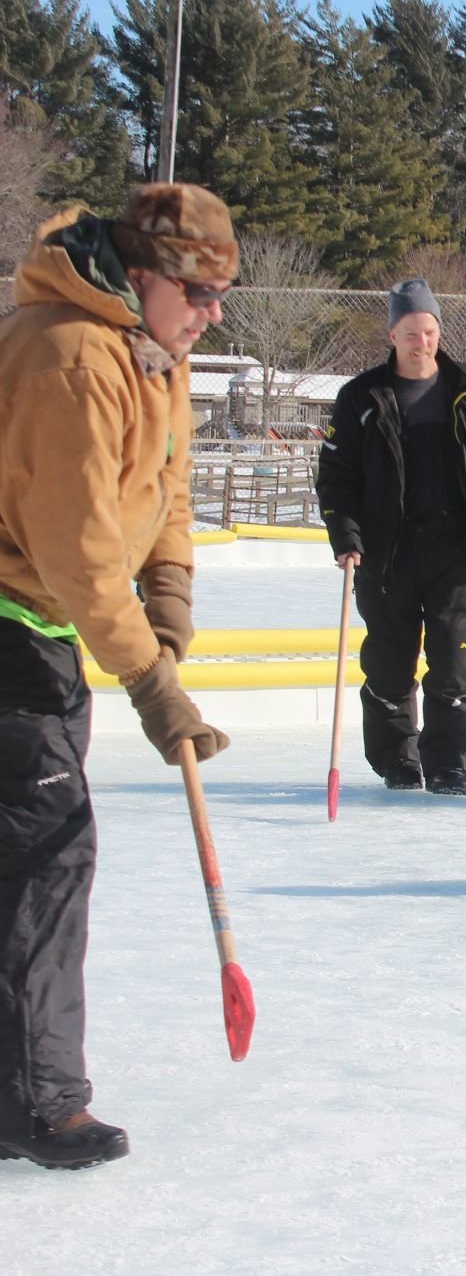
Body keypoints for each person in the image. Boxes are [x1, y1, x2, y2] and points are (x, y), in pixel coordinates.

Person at [0, 183, 238, 1170]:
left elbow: (164, 490)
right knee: (45, 854)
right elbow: (81, 556)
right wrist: (150, 681)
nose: (211, 311)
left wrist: (172, 600)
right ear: (139, 274)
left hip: (43, 634)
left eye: (223, 291)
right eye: (196, 289)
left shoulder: (152, 348)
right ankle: (38, 1100)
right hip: (16, 628)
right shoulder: (70, 356)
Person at [316, 278, 466, 797]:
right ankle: (398, 761)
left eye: (429, 331)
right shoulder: (361, 397)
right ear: (392, 334)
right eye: (411, 332)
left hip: (457, 547)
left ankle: (449, 765)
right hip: (387, 554)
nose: (422, 342)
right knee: (389, 665)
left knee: (456, 662)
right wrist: (345, 534)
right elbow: (336, 475)